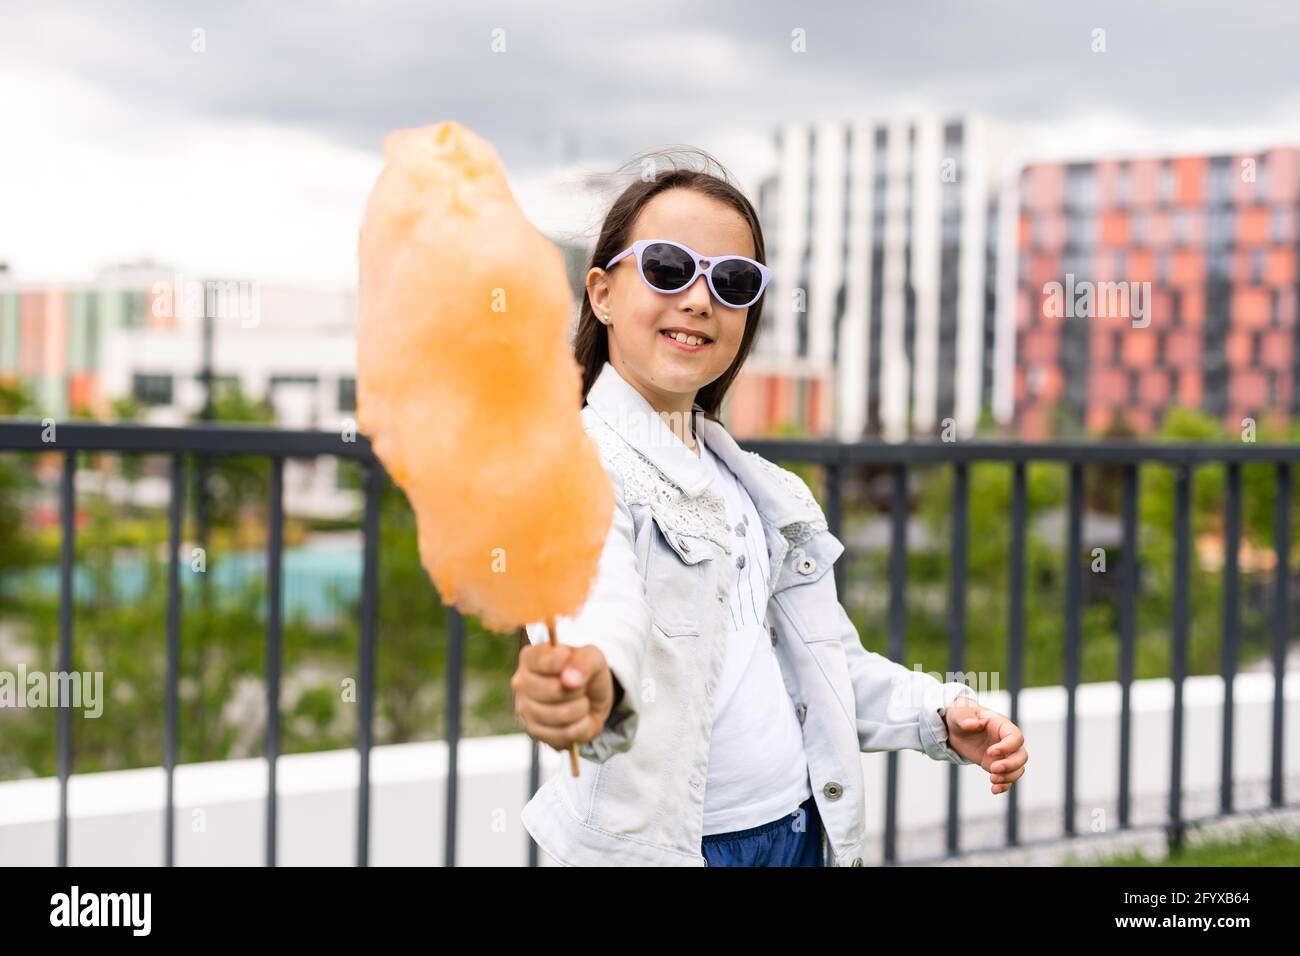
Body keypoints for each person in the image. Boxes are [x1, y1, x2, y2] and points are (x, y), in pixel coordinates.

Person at [511, 150, 1028, 867]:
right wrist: (592, 678)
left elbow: (821, 665)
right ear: (600, 292)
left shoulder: (759, 488)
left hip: (800, 832)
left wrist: (938, 715)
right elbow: (601, 600)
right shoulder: (575, 465)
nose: (699, 299)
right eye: (666, 267)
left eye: (731, 281)